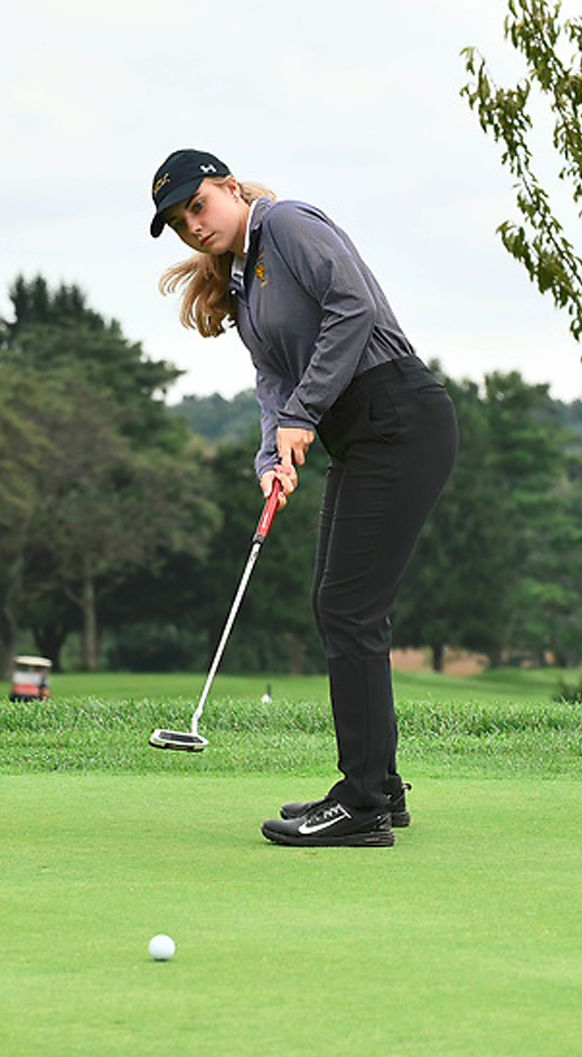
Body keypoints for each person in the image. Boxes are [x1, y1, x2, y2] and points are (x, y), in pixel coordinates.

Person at [150, 149, 458, 848]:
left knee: (349, 608)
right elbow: (273, 383)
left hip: (398, 417)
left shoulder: (286, 224)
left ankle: (362, 803)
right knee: (338, 604)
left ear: (230, 188)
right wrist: (272, 458)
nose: (193, 225)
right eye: (179, 221)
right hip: (362, 436)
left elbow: (353, 309)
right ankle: (380, 786)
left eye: (198, 205)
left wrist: (304, 414)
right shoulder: (242, 285)